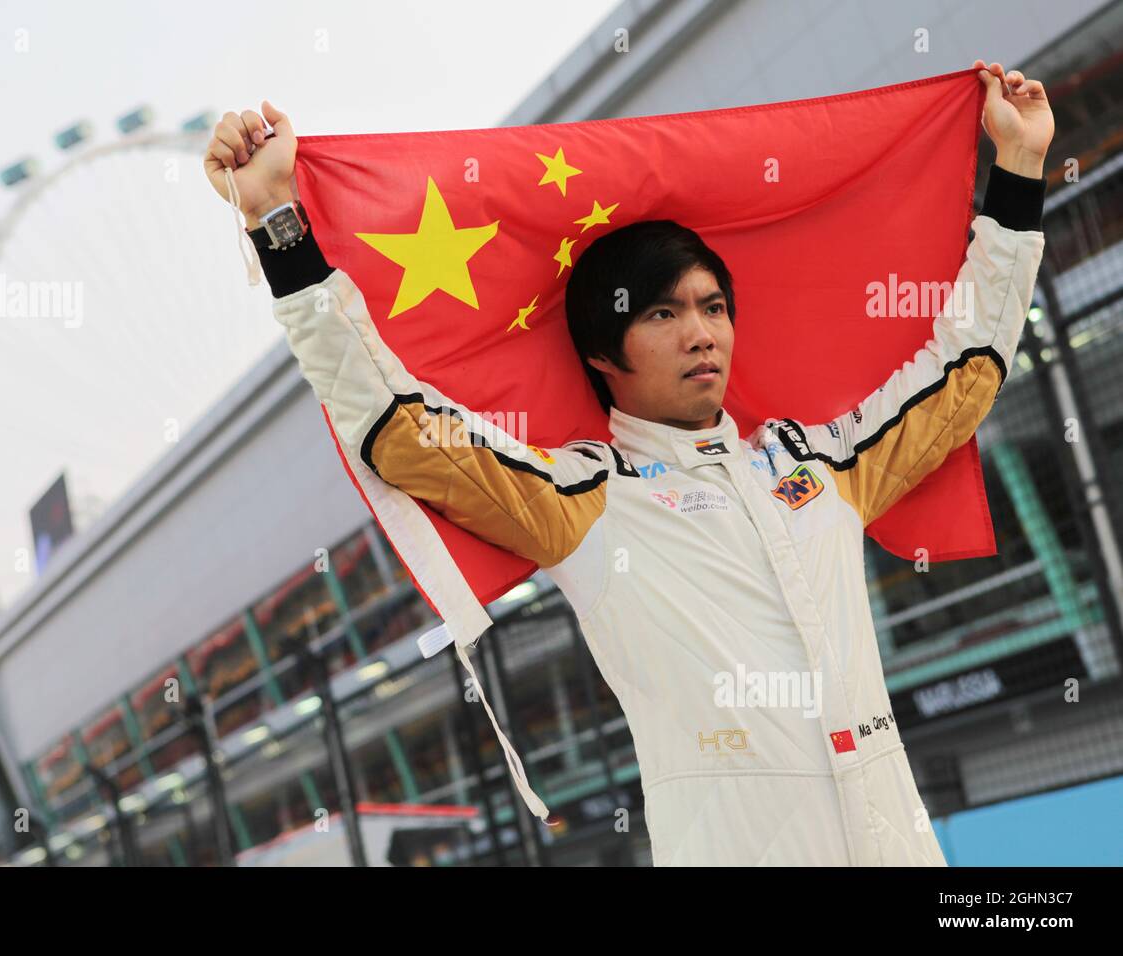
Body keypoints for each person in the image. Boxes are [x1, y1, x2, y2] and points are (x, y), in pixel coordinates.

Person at [204, 59, 1053, 865]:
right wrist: (278, 222)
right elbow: (396, 425)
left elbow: (967, 366)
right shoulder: (584, 498)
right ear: (604, 354)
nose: (701, 331)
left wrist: (1017, 168)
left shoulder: (825, 466)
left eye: (713, 306)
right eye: (662, 312)